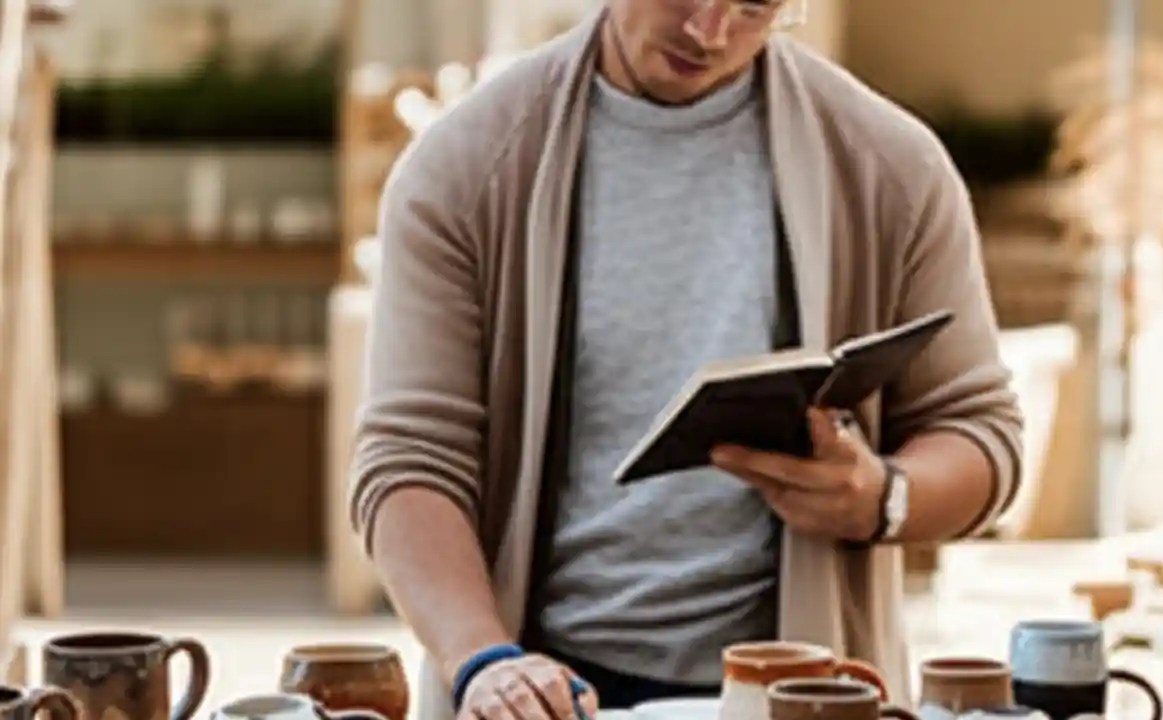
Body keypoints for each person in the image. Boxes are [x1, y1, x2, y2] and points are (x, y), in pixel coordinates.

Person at [348, 0, 1024, 718]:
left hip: (800, 696)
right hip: (548, 693)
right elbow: (410, 460)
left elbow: (983, 435)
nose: (709, 32)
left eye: (752, 7)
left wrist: (880, 497)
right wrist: (485, 662)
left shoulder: (891, 165)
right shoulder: (465, 164)